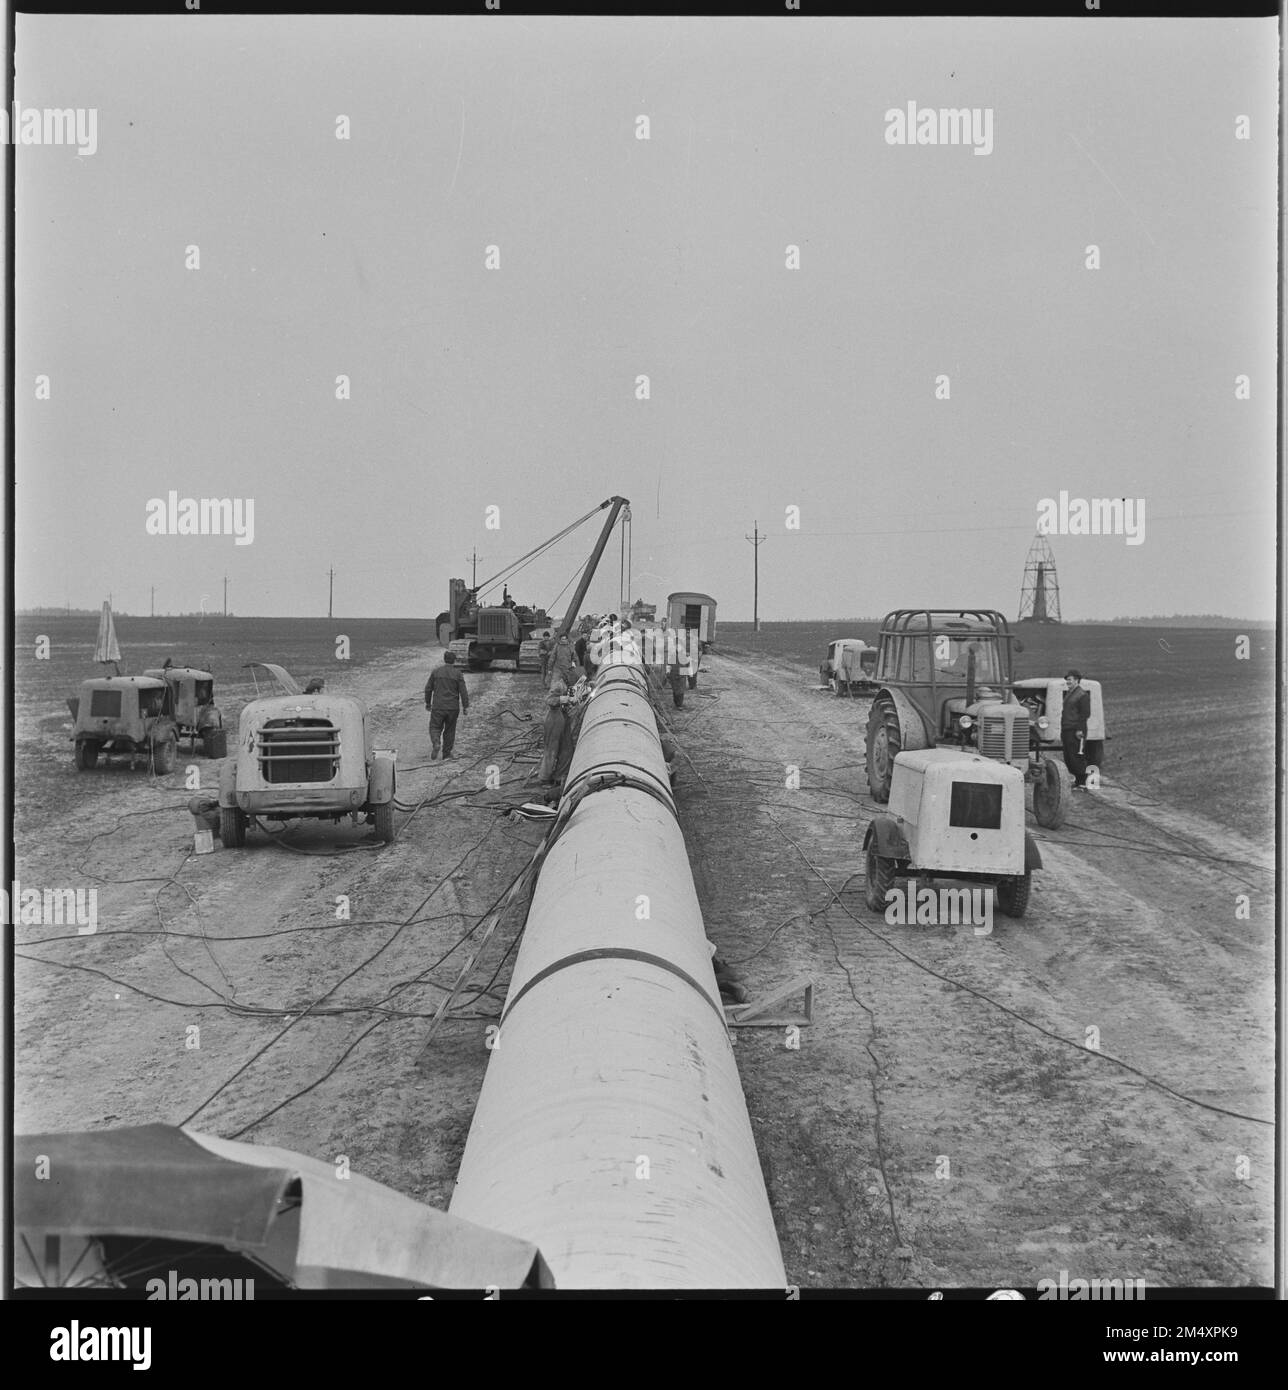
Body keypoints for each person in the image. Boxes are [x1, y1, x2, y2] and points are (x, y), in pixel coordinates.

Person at [424, 650, 469, 760]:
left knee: (435, 727)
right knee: (450, 730)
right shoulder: (458, 674)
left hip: (438, 706)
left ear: (444, 659)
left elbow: (428, 689)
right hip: (453, 708)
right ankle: (447, 754)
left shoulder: (436, 672)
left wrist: (428, 703)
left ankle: (436, 742)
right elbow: (463, 691)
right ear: (454, 661)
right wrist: (465, 706)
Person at [539, 670, 576, 786]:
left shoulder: (566, 685)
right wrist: (564, 699)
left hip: (562, 719)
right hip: (553, 720)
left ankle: (558, 776)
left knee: (566, 749)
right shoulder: (558, 685)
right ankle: (544, 778)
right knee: (551, 749)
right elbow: (549, 700)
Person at [1061, 669, 1092, 789]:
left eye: (1070, 680)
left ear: (1077, 680)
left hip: (1076, 730)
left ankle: (1083, 782)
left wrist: (1080, 729)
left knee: (1076, 755)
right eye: (1067, 680)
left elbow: (1085, 714)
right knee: (1069, 756)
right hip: (1067, 728)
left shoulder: (1082, 695)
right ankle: (1078, 781)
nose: (1067, 682)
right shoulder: (1070, 693)